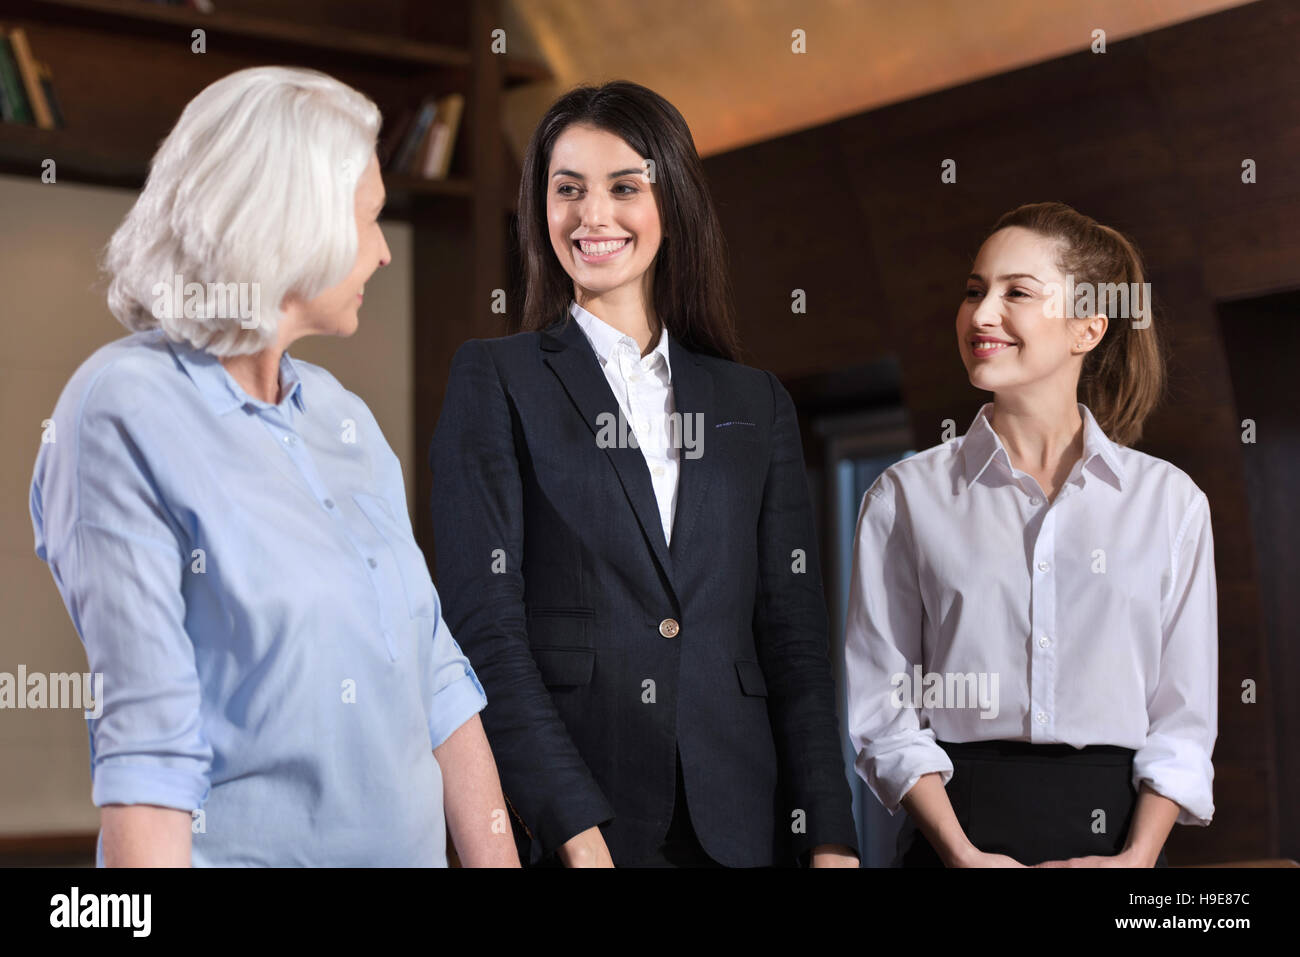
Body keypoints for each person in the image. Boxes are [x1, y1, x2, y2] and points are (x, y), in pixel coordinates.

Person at [29, 66, 518, 867]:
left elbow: (437, 679)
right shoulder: (123, 406)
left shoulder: (342, 416)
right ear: (295, 224)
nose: (385, 254)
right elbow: (149, 742)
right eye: (368, 222)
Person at [429, 81, 859, 867]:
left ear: (674, 202)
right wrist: (571, 827)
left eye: (625, 186)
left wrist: (830, 836)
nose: (593, 217)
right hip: (579, 825)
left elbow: (793, 641)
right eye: (568, 191)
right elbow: (485, 629)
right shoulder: (496, 377)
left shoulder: (752, 400)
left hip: (743, 825)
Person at [844, 201, 1217, 867]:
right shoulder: (904, 497)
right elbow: (884, 709)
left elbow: (1183, 721)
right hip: (950, 844)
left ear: (1087, 328)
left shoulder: (1171, 503)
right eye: (973, 291)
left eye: (1016, 291)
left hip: (1118, 848)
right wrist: (959, 852)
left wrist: (1136, 860)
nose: (981, 314)